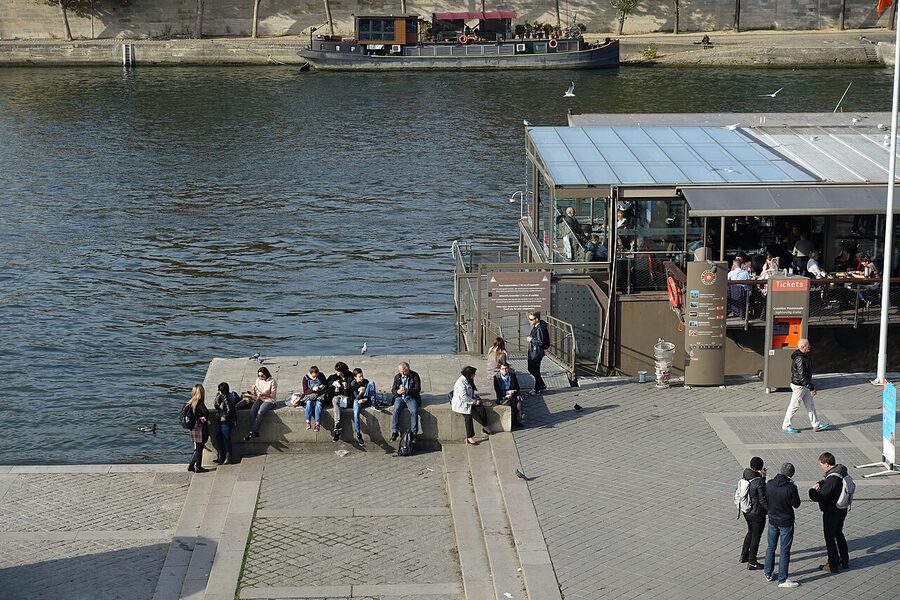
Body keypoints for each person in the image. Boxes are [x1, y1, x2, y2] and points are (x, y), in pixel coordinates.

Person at [808, 452, 850, 572]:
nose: (821, 467)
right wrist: (821, 483)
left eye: (822, 465)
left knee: (829, 538)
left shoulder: (832, 479)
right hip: (842, 508)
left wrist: (811, 491)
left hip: (832, 512)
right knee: (839, 533)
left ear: (826, 464)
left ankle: (833, 564)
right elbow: (828, 483)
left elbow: (821, 496)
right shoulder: (841, 470)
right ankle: (844, 560)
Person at [764, 463, 802, 588]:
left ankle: (768, 573)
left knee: (771, 547)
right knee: (785, 551)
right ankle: (782, 579)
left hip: (773, 520)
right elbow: (796, 504)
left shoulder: (769, 484)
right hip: (786, 522)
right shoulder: (790, 487)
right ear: (791, 475)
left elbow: (766, 499)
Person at [782, 339, 830, 433]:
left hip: (804, 385)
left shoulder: (804, 356)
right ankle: (786, 425)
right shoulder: (800, 359)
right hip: (799, 386)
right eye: (808, 345)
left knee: (810, 405)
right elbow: (802, 377)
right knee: (794, 406)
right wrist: (811, 388)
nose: (810, 347)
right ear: (803, 347)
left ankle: (816, 424)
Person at [451, 366, 493, 446]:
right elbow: (464, 397)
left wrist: (475, 398)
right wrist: (474, 402)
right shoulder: (460, 383)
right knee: (468, 417)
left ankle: (485, 426)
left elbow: (471, 392)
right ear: (469, 374)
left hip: (470, 400)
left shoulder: (469, 380)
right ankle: (469, 437)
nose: (475, 375)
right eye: (474, 374)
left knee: (481, 409)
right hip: (462, 404)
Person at [739, 456, 768, 570]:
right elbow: (762, 499)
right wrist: (770, 510)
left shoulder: (746, 475)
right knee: (756, 536)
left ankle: (744, 555)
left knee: (750, 531)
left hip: (746, 510)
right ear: (760, 467)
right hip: (757, 513)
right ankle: (752, 562)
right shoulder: (759, 482)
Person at [390, 362, 422, 442]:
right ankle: (395, 431)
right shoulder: (397, 377)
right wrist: (398, 391)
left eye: (404, 371)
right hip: (400, 397)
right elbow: (393, 390)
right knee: (396, 409)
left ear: (407, 370)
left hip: (411, 397)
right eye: (400, 371)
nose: (402, 373)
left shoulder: (415, 376)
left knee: (414, 411)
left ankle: (414, 433)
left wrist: (408, 390)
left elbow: (418, 390)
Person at [244, 367, 276, 440]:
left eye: (262, 376)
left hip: (270, 400)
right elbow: (255, 393)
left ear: (266, 374)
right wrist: (253, 390)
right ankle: (255, 430)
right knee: (252, 411)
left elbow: (273, 395)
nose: (260, 377)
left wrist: (264, 394)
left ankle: (252, 431)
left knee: (260, 412)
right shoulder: (258, 380)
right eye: (259, 376)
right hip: (260, 398)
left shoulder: (272, 381)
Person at [325, 362, 353, 442]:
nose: (336, 373)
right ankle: (337, 425)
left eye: (338, 371)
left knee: (339, 404)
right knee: (335, 400)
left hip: (346, 398)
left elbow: (350, 393)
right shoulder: (334, 377)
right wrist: (335, 388)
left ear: (342, 371)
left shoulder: (350, 377)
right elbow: (327, 384)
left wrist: (345, 388)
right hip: (337, 397)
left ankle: (337, 432)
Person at [186, 384, 210, 473]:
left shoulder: (190, 402)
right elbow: (206, 412)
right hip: (199, 427)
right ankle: (197, 466)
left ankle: (192, 465)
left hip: (192, 427)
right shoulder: (199, 402)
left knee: (198, 447)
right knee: (200, 448)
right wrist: (204, 418)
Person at [350, 368, 376, 445]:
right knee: (356, 413)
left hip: (365, 400)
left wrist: (365, 399)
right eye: (359, 377)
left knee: (372, 383)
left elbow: (369, 395)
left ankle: (374, 403)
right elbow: (356, 398)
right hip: (357, 400)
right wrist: (361, 392)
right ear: (355, 377)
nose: (362, 378)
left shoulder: (366, 382)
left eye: (362, 376)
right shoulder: (353, 384)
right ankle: (358, 433)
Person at [493, 362, 524, 427]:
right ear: (499, 369)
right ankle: (511, 422)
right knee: (511, 404)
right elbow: (497, 391)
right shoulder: (496, 377)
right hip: (503, 396)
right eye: (503, 369)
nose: (504, 370)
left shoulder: (512, 375)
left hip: (512, 394)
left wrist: (515, 393)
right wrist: (506, 394)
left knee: (518, 403)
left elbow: (517, 387)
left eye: (506, 368)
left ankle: (517, 420)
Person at [213, 382, 237, 465]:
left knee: (226, 439)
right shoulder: (220, 396)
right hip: (220, 420)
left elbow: (229, 410)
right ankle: (221, 456)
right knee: (219, 438)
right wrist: (218, 399)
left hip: (226, 421)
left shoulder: (229, 397)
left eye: (219, 390)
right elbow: (216, 405)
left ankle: (228, 457)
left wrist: (225, 417)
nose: (218, 391)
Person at [526, 310, 549, 394]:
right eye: (529, 319)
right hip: (534, 352)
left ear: (537, 319)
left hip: (536, 352)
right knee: (533, 369)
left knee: (534, 369)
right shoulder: (537, 327)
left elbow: (541, 342)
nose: (529, 321)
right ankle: (541, 385)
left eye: (531, 319)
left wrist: (531, 339)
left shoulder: (540, 328)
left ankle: (537, 388)